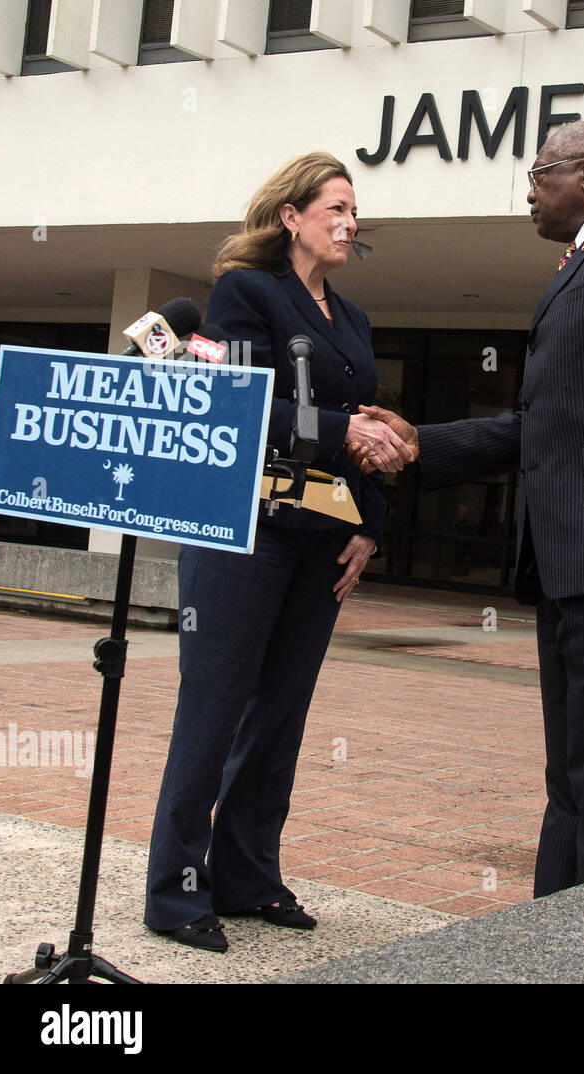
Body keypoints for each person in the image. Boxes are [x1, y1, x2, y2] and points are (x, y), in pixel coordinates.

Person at [355, 121, 584, 896]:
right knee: (578, 762)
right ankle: (552, 932)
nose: (528, 189)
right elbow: (546, 426)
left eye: (538, 172)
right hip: (572, 553)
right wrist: (426, 445)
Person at [143, 152, 413, 951]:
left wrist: (369, 523)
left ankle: (248, 877)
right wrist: (343, 432)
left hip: (322, 541)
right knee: (214, 708)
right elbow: (240, 404)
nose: (349, 222)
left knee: (282, 715)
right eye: (335, 207)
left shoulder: (355, 320)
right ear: (291, 215)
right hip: (245, 533)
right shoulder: (245, 294)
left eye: (356, 211)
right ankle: (175, 890)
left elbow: (368, 430)